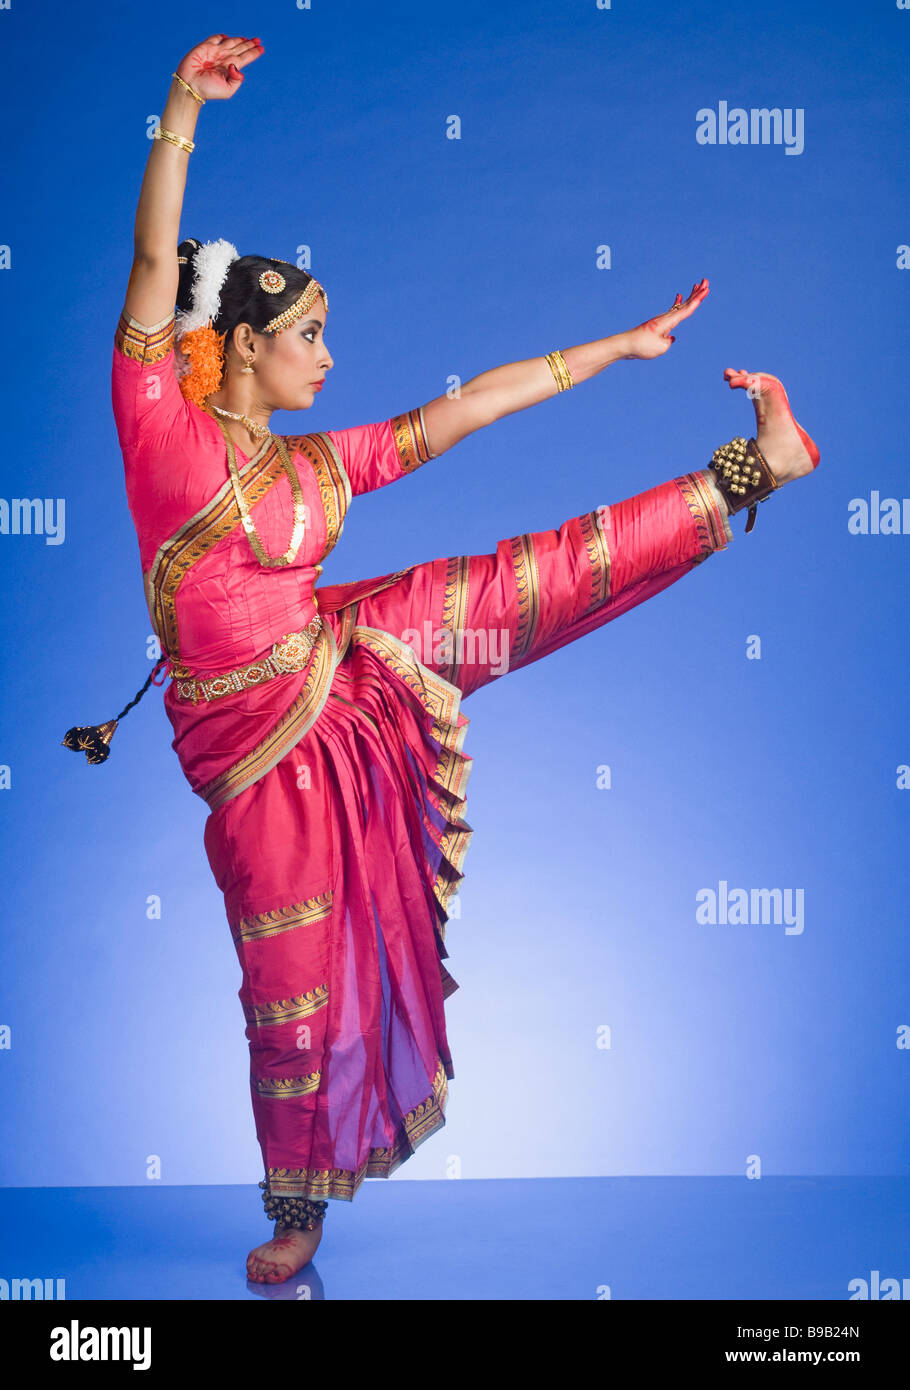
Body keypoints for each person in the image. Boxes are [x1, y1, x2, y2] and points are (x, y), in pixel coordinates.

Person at [66, 34, 820, 1283]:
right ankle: (297, 1210)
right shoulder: (157, 427)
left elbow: (471, 408)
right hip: (255, 760)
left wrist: (619, 349)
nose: (328, 355)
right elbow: (156, 261)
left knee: (531, 580)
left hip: (346, 670)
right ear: (246, 342)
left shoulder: (323, 462)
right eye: (310, 332)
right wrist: (180, 107)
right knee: (289, 985)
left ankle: (749, 471)